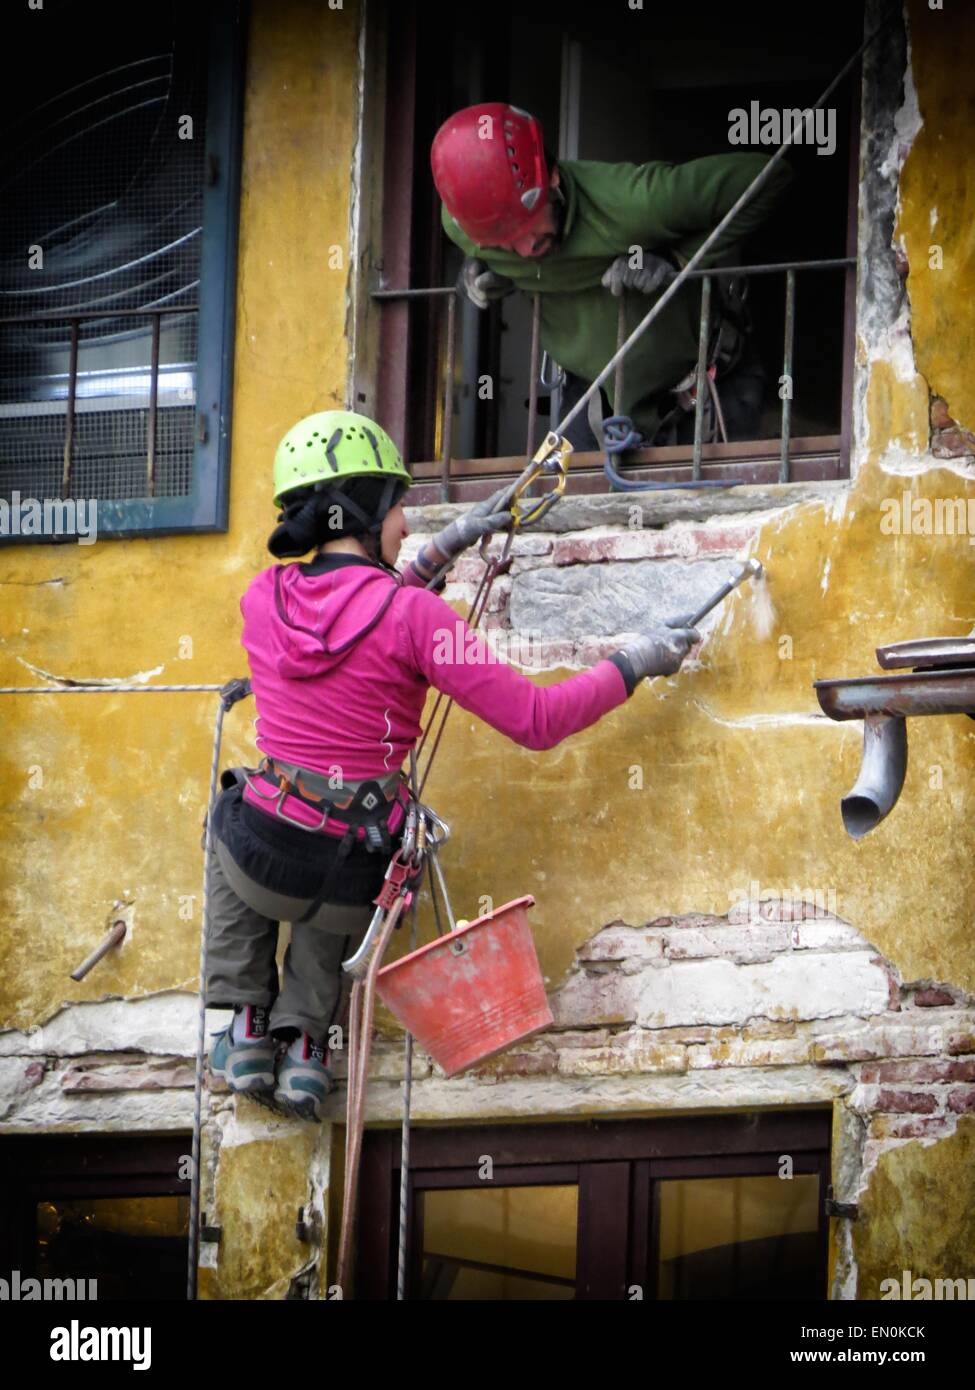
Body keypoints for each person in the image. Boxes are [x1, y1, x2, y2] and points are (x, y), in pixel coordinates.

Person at [204, 409, 699, 1120]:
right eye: (399, 507)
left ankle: (248, 1025)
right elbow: (535, 720)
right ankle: (306, 1044)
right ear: (366, 512)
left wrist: (453, 544)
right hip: (354, 883)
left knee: (238, 805)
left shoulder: (261, 600)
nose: (406, 523)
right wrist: (633, 664)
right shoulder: (419, 619)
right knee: (344, 837)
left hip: (266, 865)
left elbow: (354, 605)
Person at [431, 102, 794, 452]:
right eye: (505, 244)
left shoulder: (639, 202)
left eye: (528, 229)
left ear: (552, 176)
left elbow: (769, 176)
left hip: (710, 387)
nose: (525, 250)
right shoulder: (464, 230)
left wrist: (677, 258)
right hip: (595, 400)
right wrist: (486, 269)